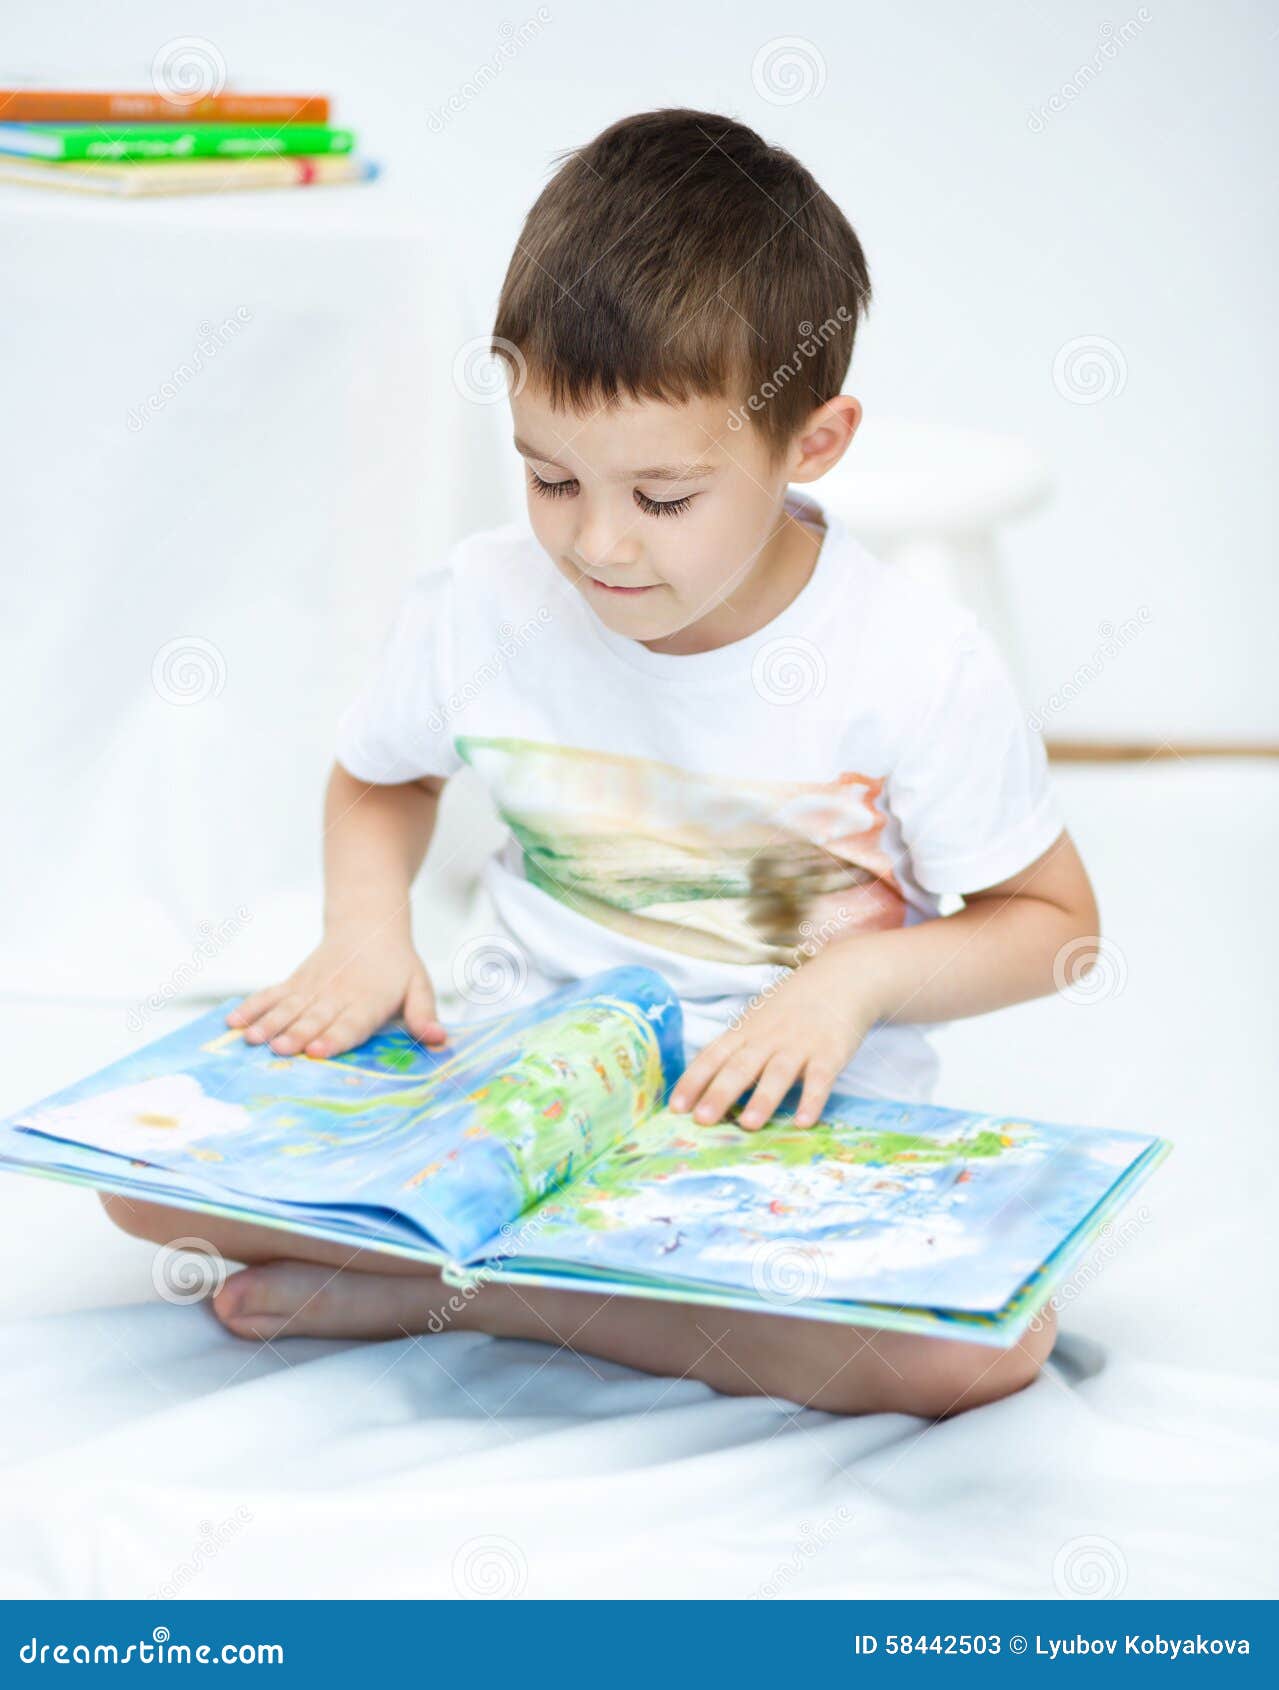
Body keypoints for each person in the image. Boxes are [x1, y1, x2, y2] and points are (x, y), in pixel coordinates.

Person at [104, 109, 1097, 1416]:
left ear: (814, 441)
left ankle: (466, 1290)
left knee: (983, 1350)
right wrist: (365, 930)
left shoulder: (910, 660)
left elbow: (1055, 927)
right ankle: (511, 1263)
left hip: (774, 1138)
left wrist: (856, 979)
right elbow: (382, 775)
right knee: (142, 1180)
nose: (599, 546)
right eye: (549, 477)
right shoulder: (484, 600)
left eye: (663, 498)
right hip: (520, 1094)